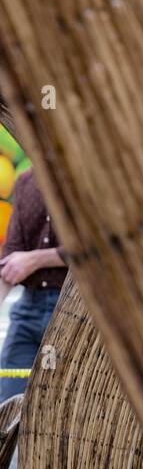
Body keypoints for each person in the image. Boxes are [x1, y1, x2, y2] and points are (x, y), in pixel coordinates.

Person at [0, 170, 67, 400]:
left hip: (73, 311)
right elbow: (10, 263)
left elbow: (93, 249)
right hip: (28, 310)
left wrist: (35, 259)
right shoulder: (25, 181)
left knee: (56, 406)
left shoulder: (89, 178)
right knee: (7, 404)